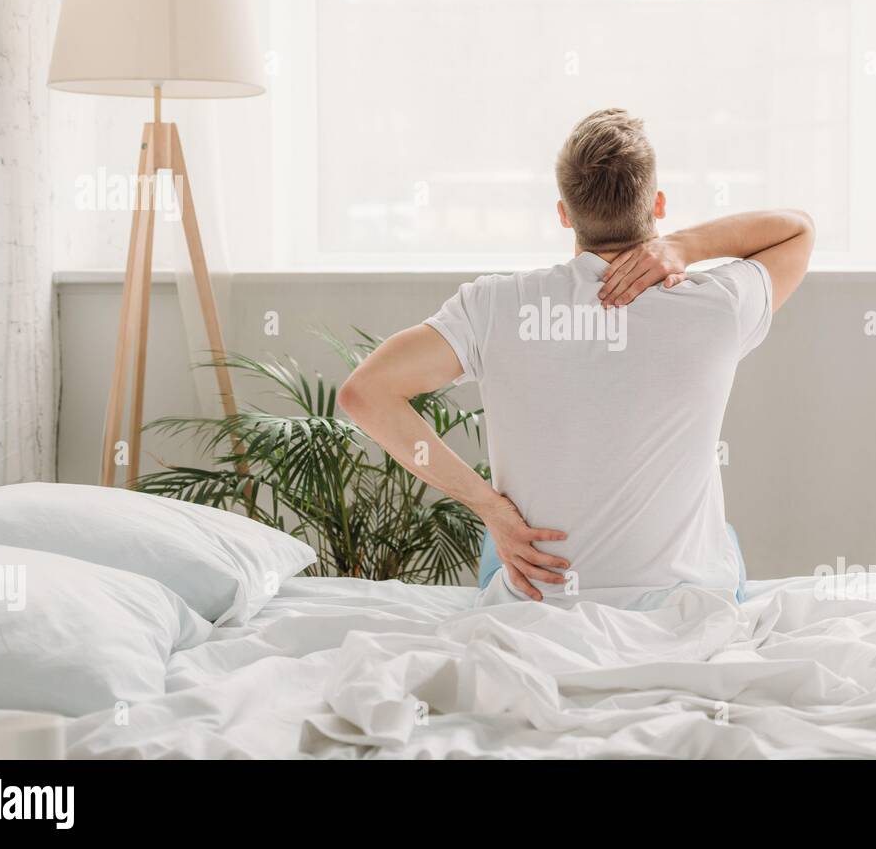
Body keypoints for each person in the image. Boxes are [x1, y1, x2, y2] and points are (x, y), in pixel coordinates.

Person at [337, 108, 813, 607]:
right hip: (682, 595)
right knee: (723, 537)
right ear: (658, 204)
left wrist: (489, 508)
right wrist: (684, 246)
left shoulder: (496, 307)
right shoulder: (718, 303)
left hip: (542, 592)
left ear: (564, 213)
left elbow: (363, 393)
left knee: (495, 543)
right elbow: (797, 230)